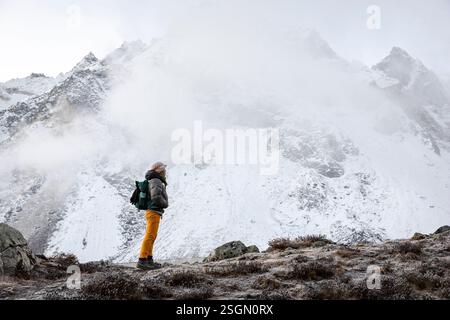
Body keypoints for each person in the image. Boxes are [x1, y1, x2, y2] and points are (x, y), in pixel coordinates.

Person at [137, 162, 169, 270]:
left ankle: (149, 260)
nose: (165, 172)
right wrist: (165, 204)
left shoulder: (154, 180)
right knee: (150, 236)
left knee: (152, 236)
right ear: (159, 171)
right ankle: (142, 260)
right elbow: (156, 196)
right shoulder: (156, 180)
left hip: (153, 212)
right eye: (163, 170)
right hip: (153, 212)